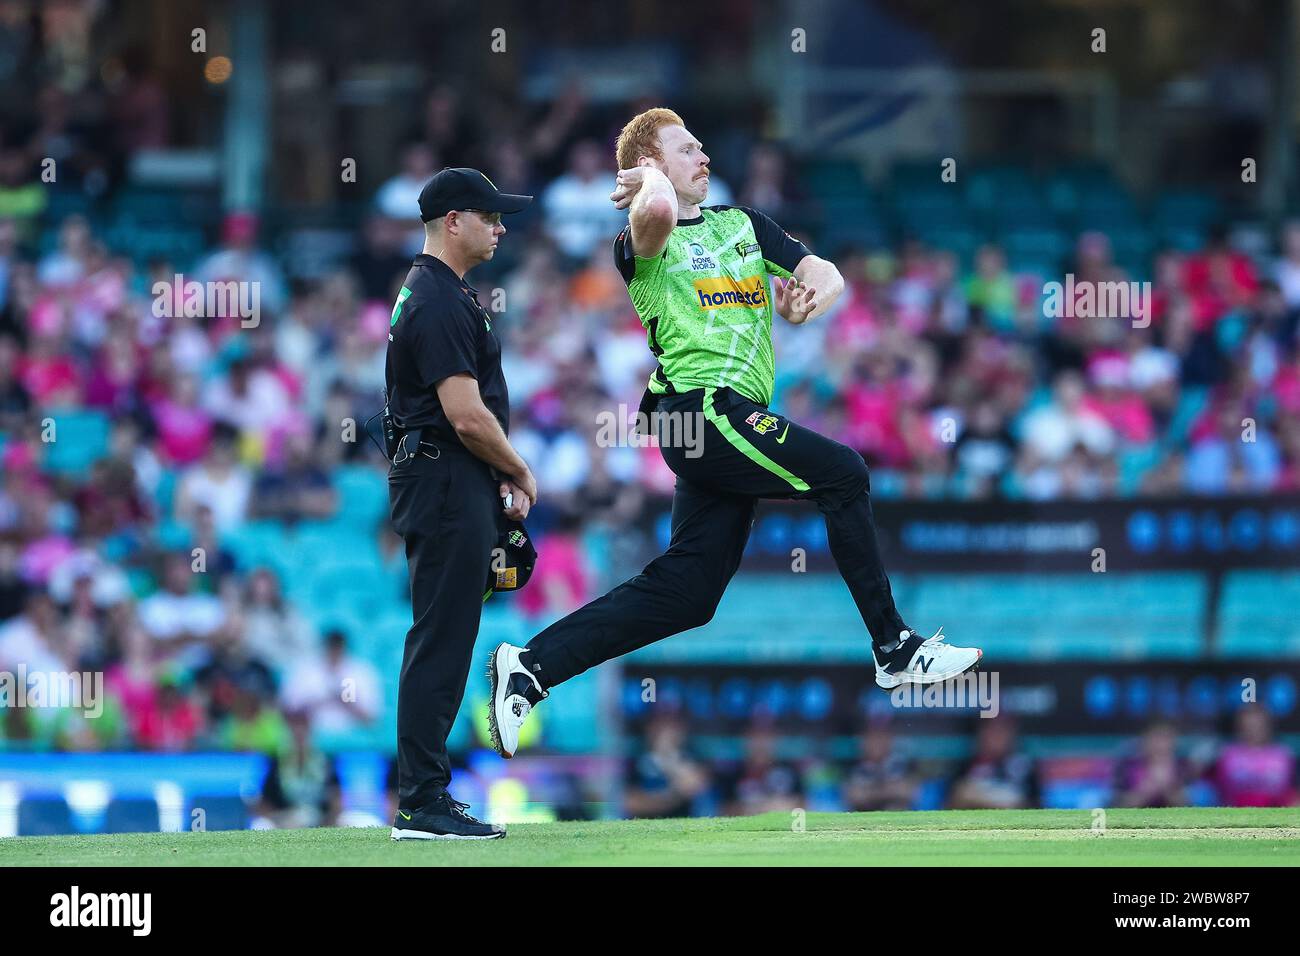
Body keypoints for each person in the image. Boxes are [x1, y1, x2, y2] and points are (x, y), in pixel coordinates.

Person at [487, 108, 981, 759]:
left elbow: (822, 270)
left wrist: (812, 295)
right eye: (686, 149)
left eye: (702, 145)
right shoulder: (640, 240)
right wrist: (651, 186)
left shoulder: (743, 225)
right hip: (699, 411)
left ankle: (530, 666)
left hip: (728, 421)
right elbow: (656, 218)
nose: (704, 156)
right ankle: (893, 647)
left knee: (689, 593)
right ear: (651, 168)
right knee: (844, 472)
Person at [385, 167, 536, 841]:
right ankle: (421, 801)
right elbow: (465, 415)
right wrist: (519, 470)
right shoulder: (441, 299)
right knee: (441, 640)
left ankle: (426, 796)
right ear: (454, 221)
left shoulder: (435, 292)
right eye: (490, 215)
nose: (500, 227)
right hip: (444, 477)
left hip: (447, 478)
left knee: (442, 636)